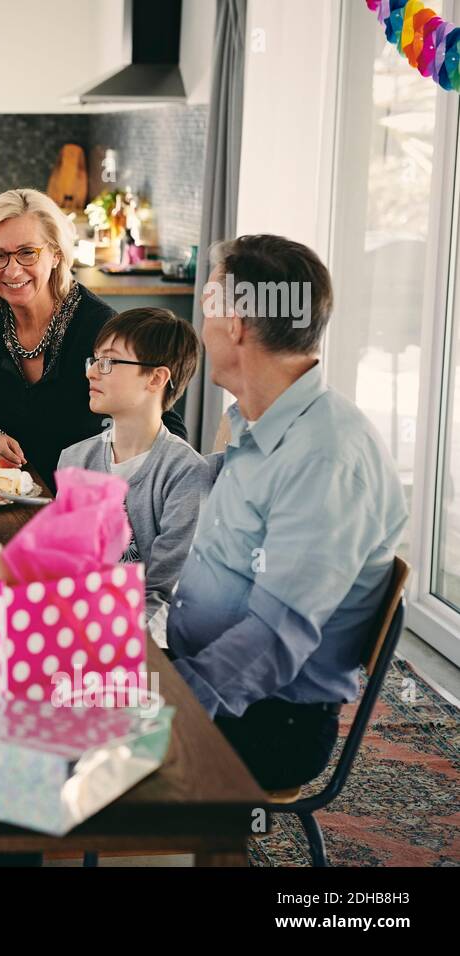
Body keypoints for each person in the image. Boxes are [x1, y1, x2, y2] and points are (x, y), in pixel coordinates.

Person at [166, 234, 407, 790]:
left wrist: (167, 700)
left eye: (208, 300)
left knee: (23, 748)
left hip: (263, 723)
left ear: (238, 326)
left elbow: (274, 639)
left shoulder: (325, 458)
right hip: (211, 681)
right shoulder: (261, 422)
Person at [0, 188, 187, 492]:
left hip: (83, 504)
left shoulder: (98, 325)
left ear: (56, 254)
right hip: (3, 494)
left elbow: (163, 422)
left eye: (27, 252)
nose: (12, 270)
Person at [58, 308, 212, 645]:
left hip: (146, 650)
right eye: (94, 360)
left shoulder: (185, 474)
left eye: (109, 362)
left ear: (156, 378)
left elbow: (164, 595)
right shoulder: (74, 461)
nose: (92, 374)